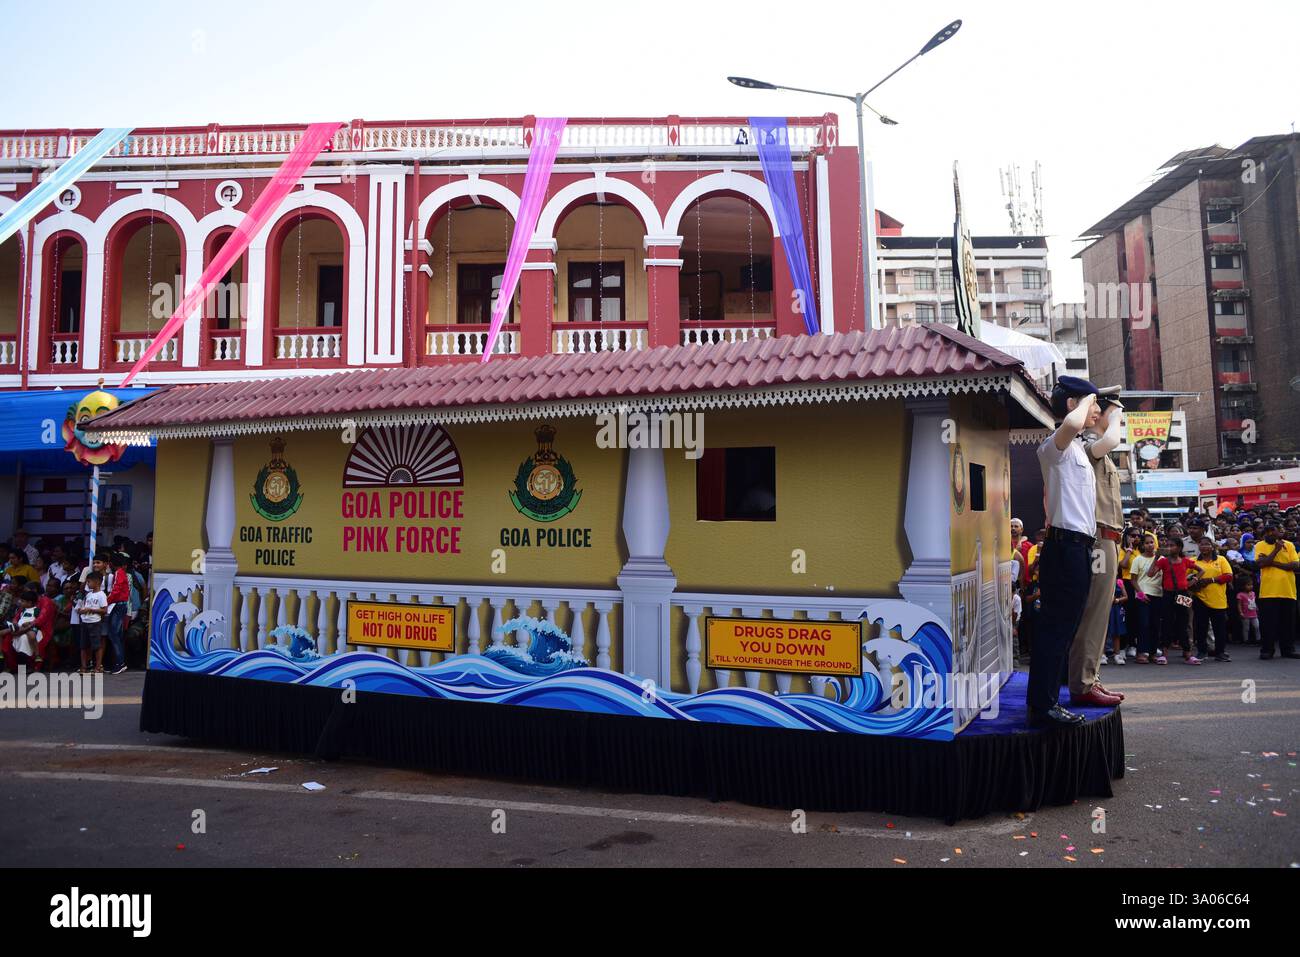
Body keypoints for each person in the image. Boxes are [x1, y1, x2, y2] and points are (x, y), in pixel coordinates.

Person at [1029, 376, 1102, 727]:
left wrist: (1102, 401)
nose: (1097, 411)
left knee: (1065, 629)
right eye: (1092, 403)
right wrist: (1087, 399)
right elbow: (1072, 422)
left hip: (1079, 549)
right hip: (1064, 548)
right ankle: (1043, 708)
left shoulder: (1079, 451)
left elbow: (1108, 429)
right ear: (1073, 404)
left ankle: (1048, 702)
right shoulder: (1052, 447)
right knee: (1055, 631)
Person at [1066, 387, 1126, 703]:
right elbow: (1112, 439)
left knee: (1098, 613)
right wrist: (1114, 414)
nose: (1117, 419)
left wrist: (1112, 412)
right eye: (1112, 412)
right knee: (1093, 612)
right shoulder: (1088, 442)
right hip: (1098, 537)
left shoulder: (1095, 446)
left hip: (1106, 537)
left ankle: (1089, 678)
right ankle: (1083, 683)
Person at [1147, 539, 1199, 664]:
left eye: (1172, 545)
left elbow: (1201, 570)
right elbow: (1150, 574)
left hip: (1183, 594)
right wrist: (1157, 558)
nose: (1169, 548)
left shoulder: (1185, 561)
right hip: (1168, 594)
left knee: (1184, 622)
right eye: (1168, 545)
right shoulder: (1164, 561)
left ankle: (1188, 653)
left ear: (1180, 548)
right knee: (1167, 623)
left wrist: (1193, 581)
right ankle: (1164, 654)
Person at [1255, 524, 1300, 660]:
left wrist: (1272, 563)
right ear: (1267, 533)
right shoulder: (1260, 545)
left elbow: (1295, 565)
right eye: (1272, 532)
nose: (1275, 534)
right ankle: (1267, 650)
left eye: (1278, 531)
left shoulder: (1289, 545)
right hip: (1268, 592)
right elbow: (1261, 564)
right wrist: (1276, 550)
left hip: (1288, 590)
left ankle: (1288, 650)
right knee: (1268, 623)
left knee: (1288, 623)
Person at [1190, 540, 1233, 662]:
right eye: (1202, 544)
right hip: (1200, 598)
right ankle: (1202, 651)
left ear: (1212, 547)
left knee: (1219, 628)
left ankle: (1220, 652)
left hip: (1218, 599)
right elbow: (1184, 577)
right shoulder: (1193, 560)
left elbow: (1228, 576)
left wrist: (1210, 580)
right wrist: (1193, 584)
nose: (1204, 547)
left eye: (1207, 544)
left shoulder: (1221, 559)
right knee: (1200, 627)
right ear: (1199, 546)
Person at [1129, 534, 1166, 664]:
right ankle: (1141, 652)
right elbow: (1133, 580)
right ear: (1143, 545)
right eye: (1147, 543)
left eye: (1152, 542)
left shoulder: (1162, 559)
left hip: (1158, 594)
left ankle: (1153, 652)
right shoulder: (1138, 559)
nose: (1150, 545)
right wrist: (1140, 594)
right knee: (1143, 624)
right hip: (1142, 595)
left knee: (1155, 625)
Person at [77, 572, 108, 675]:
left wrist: (91, 610)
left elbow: (104, 610)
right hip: (85, 621)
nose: (87, 584)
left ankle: (98, 667)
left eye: (89, 582)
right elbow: (83, 606)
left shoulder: (101, 595)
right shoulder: (89, 594)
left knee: (96, 645)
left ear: (97, 582)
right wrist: (82, 610)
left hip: (94, 622)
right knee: (83, 645)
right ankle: (83, 667)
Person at [1236, 572, 1261, 646]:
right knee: (1246, 628)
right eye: (1248, 585)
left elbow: (1254, 601)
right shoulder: (1240, 595)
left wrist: (1257, 607)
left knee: (1257, 626)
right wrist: (1240, 612)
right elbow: (1239, 604)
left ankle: (1258, 639)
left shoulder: (1253, 593)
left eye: (1251, 585)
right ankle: (1246, 640)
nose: (1251, 586)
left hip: (1254, 614)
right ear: (1243, 586)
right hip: (1245, 614)